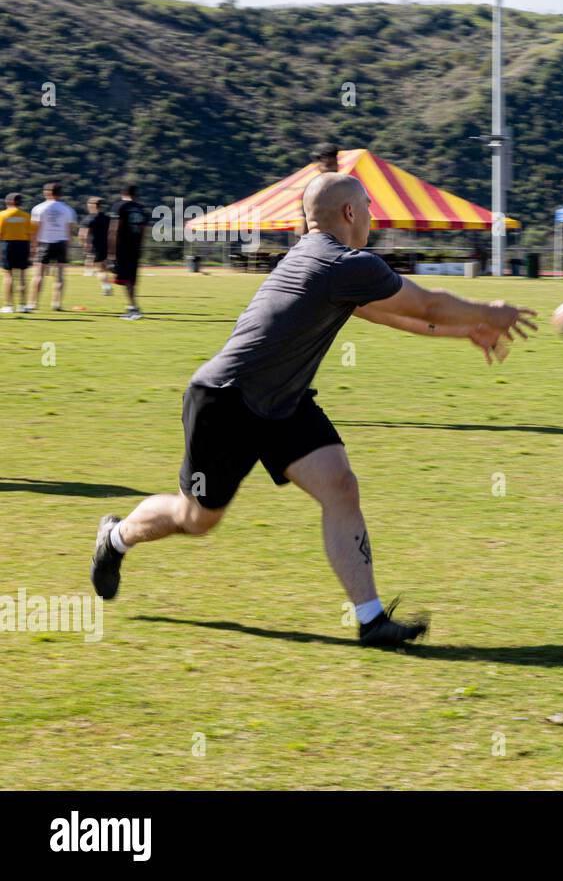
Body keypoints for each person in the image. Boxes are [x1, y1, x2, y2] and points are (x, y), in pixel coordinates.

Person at [90, 173, 538, 647]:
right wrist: (490, 313)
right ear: (349, 213)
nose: (370, 216)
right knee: (196, 519)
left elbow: (389, 312)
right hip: (226, 402)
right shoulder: (343, 263)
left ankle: (371, 620)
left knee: (341, 485)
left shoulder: (324, 259)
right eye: (367, 207)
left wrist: (462, 332)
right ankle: (115, 537)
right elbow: (428, 302)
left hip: (284, 402)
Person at [28, 182, 78, 312]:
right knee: (60, 275)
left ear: (46, 192)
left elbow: (35, 230)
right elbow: (69, 230)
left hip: (44, 243)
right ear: (60, 194)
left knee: (38, 275)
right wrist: (68, 245)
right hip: (61, 243)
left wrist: (33, 246)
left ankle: (33, 303)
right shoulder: (67, 209)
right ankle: (56, 303)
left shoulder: (38, 208)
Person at [110, 185, 147, 320]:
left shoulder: (120, 207)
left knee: (126, 279)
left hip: (123, 248)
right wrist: (140, 247)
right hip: (135, 248)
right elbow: (144, 230)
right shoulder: (141, 208)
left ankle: (134, 309)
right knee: (131, 279)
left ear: (122, 193)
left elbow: (114, 230)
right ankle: (132, 307)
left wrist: (111, 253)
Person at [0, 193, 33, 314]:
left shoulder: (2, 215)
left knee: (8, 276)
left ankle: (8, 305)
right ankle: (22, 305)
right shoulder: (26, 216)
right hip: (23, 245)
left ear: (8, 202)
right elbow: (30, 233)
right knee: (22, 276)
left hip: (7, 245)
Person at [79, 197, 114, 295]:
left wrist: (85, 245)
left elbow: (82, 235)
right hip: (106, 246)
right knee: (103, 268)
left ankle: (107, 288)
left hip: (95, 247)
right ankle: (107, 286)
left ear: (91, 205)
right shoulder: (107, 218)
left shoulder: (89, 219)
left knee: (99, 270)